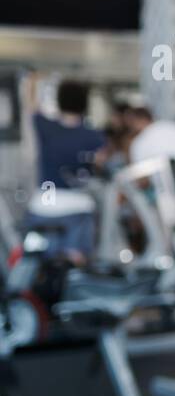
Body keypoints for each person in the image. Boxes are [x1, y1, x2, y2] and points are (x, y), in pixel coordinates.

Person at [26, 77, 106, 262]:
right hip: (76, 206)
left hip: (45, 202)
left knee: (36, 257)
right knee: (76, 256)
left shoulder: (45, 126)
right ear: (84, 102)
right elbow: (101, 164)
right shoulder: (93, 136)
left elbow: (31, 106)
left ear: (60, 101)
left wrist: (31, 79)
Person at [123, 106, 175, 220]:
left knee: (172, 236)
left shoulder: (139, 143)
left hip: (168, 201)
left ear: (138, 120)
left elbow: (142, 180)